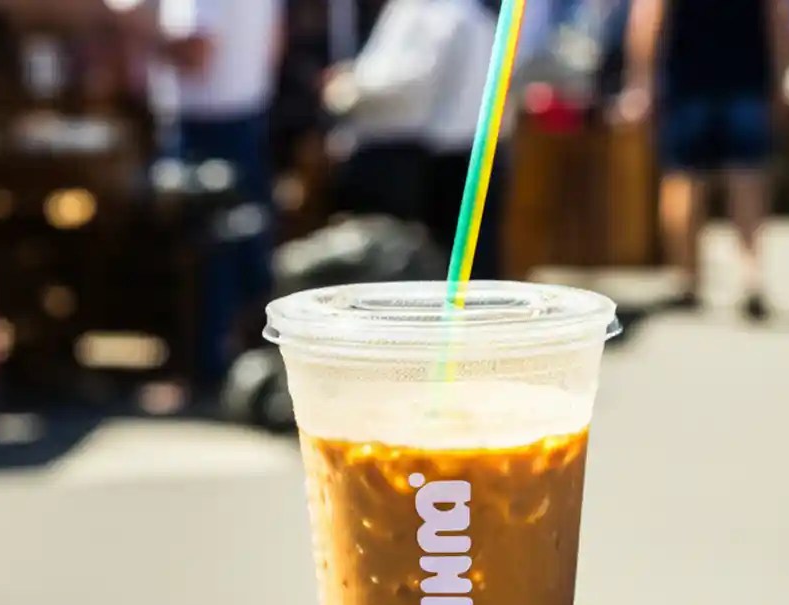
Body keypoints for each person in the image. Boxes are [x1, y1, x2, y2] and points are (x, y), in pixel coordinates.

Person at [113, 0, 285, 386]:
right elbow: (275, 44)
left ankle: (209, 369)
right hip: (246, 117)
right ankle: (242, 369)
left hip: (207, 130)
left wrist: (132, 25)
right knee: (241, 251)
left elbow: (196, 52)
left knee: (208, 257)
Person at [622, 0, 789, 320]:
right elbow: (779, 16)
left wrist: (640, 81)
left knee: (684, 178)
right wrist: (783, 76)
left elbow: (648, 14)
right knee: (747, 177)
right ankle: (750, 276)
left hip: (687, 77)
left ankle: (687, 280)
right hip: (746, 74)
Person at [324, 0, 502, 279]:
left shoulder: (437, 13)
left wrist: (347, 90)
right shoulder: (454, 13)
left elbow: (409, 83)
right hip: (442, 153)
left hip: (436, 157)